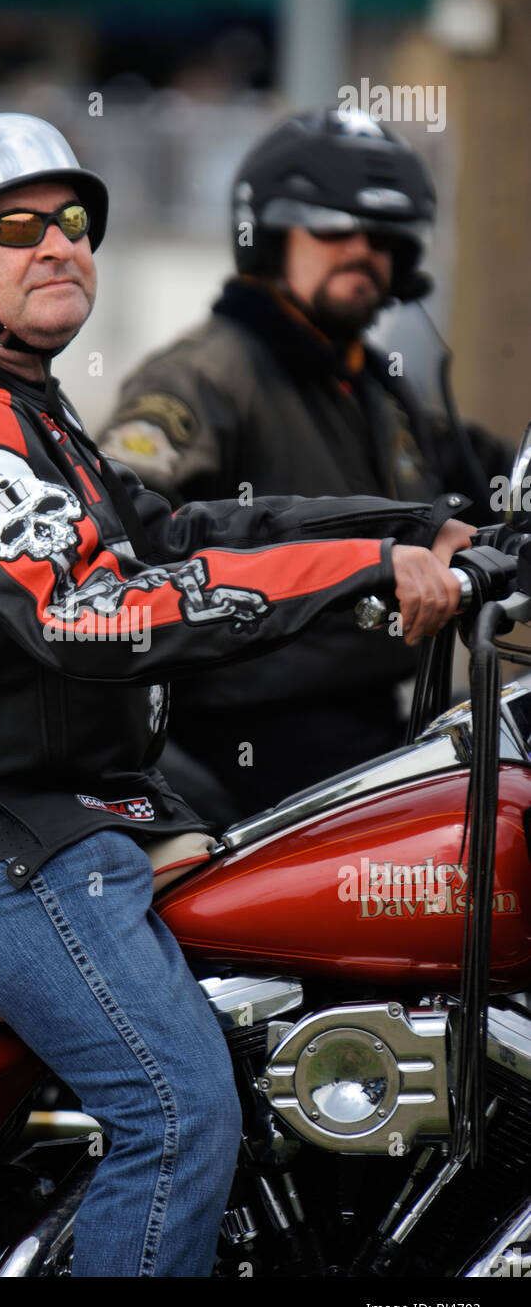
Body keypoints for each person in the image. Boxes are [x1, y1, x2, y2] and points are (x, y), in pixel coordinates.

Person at [0, 112, 471, 1277]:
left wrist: (412, 528)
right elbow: (90, 612)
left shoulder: (1, 386)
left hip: (52, 799)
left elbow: (166, 531)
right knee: (179, 1110)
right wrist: (362, 574)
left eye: (74, 221)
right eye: (17, 227)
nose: (61, 244)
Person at [99, 107, 508, 826]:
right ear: (270, 239)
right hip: (246, 741)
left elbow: (492, 475)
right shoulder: (203, 377)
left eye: (382, 235)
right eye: (331, 228)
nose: (362, 250)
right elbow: (119, 529)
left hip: (377, 714)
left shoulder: (376, 388)